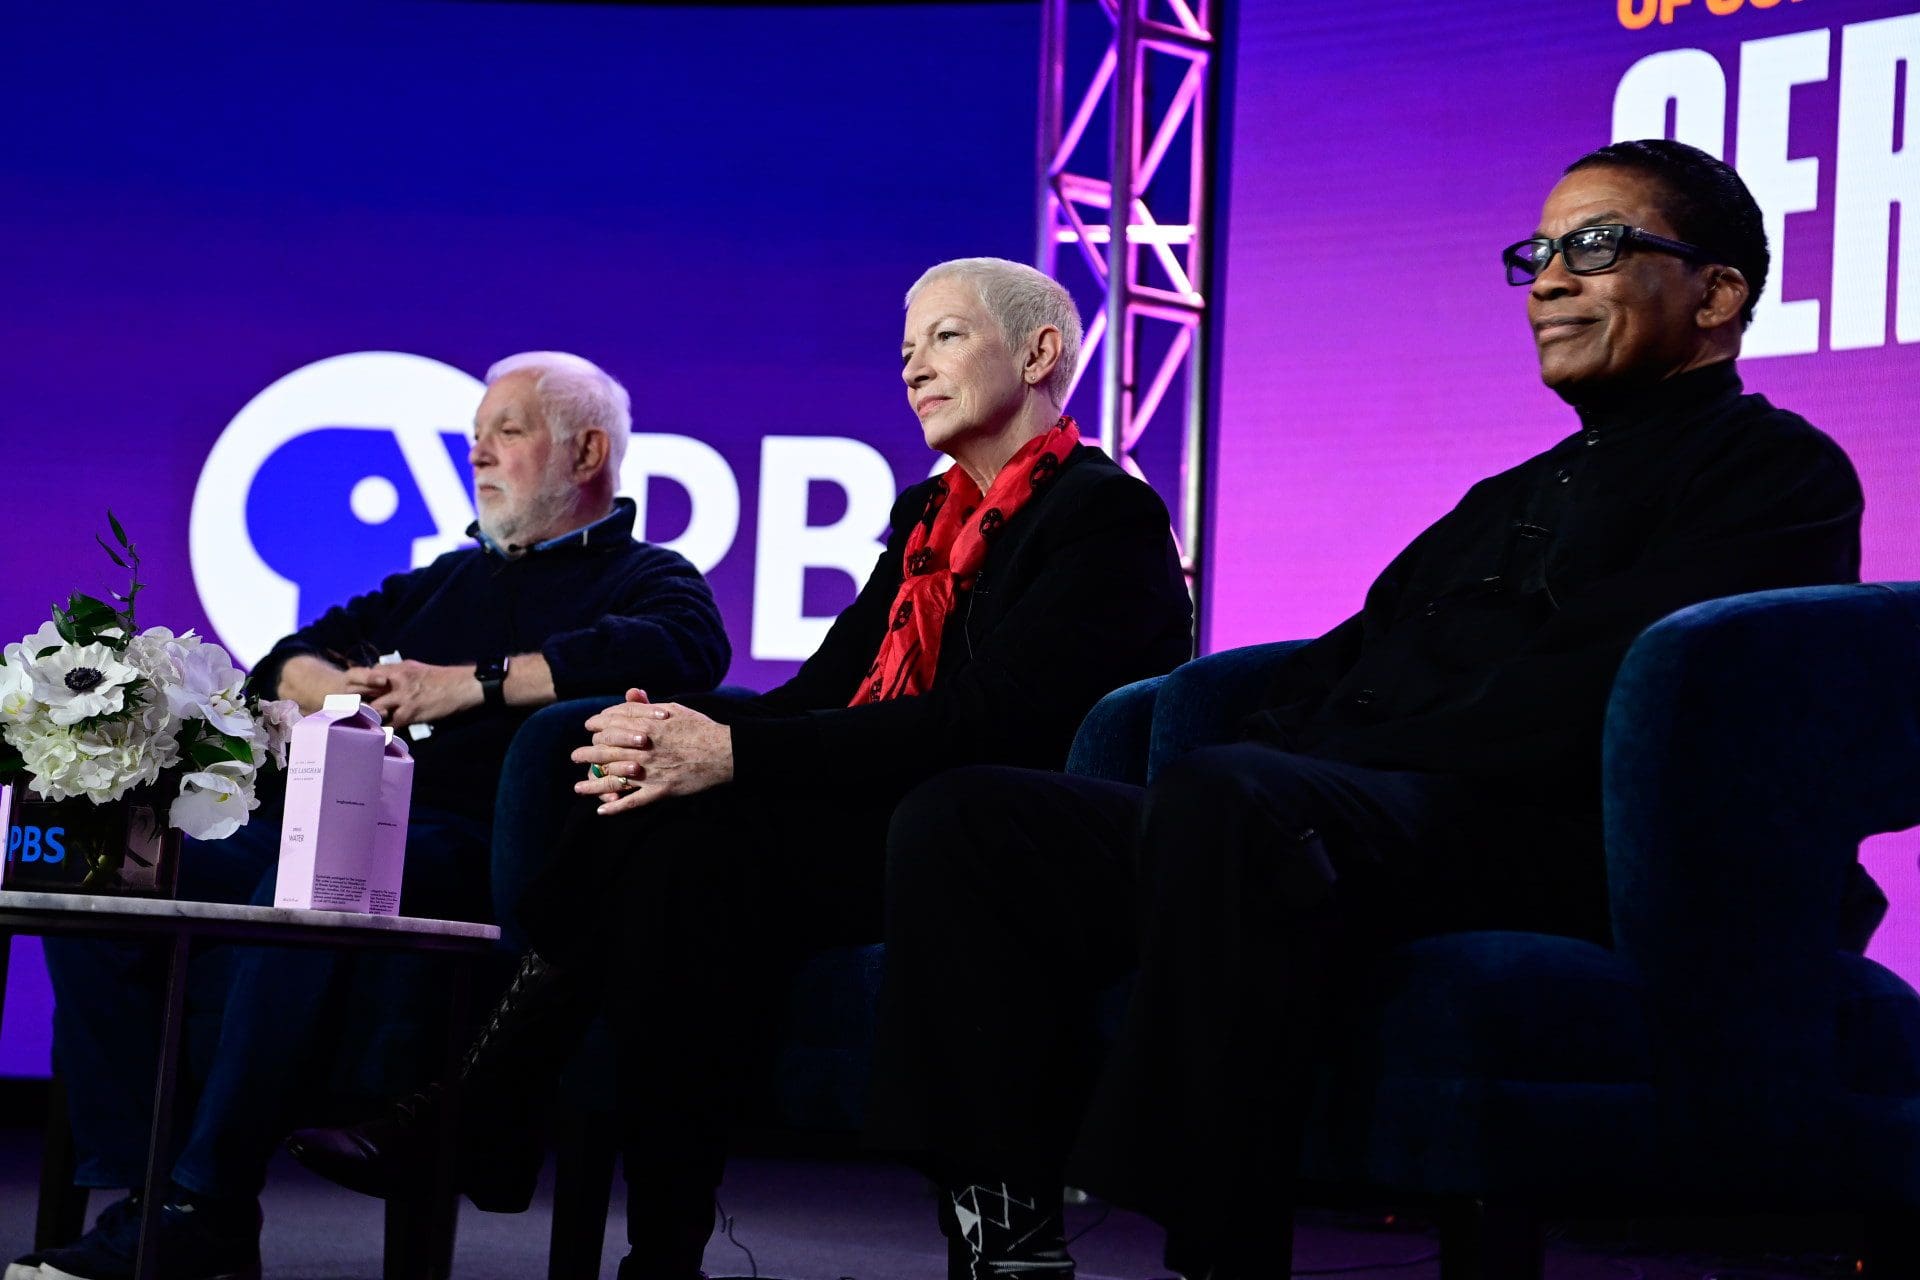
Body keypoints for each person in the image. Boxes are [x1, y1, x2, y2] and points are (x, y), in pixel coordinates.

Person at [864, 140, 1868, 1280]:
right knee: (972, 819)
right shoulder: (1508, 495)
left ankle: (1218, 1250)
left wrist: (1312, 759)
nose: (1547, 280)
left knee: (1236, 800)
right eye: (1540, 253)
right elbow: (1344, 658)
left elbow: (1609, 689)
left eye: (1595, 246)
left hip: (1553, 837)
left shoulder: (1778, 470)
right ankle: (1005, 1237)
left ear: (1718, 292)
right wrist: (1273, 754)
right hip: (1348, 816)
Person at [286, 257, 1195, 1279]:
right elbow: (825, 689)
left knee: (693, 830)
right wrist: (677, 731)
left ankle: (485, 1107)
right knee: (664, 835)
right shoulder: (926, 522)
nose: (911, 367)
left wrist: (732, 750)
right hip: (887, 812)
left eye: (942, 337)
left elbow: (996, 719)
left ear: (1038, 354)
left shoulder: (1100, 515)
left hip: (990, 840)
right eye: (904, 348)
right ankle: (652, 1244)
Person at [19, 352, 730, 1280]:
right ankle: (140, 1185)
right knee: (109, 863)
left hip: (482, 850)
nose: (480, 457)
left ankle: (207, 1205)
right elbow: (291, 654)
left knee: (313, 870)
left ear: (587, 450)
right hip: (367, 821)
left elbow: (687, 650)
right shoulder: (443, 581)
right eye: (475, 440)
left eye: (506, 434)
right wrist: (336, 691)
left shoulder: (648, 576)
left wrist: (467, 687)